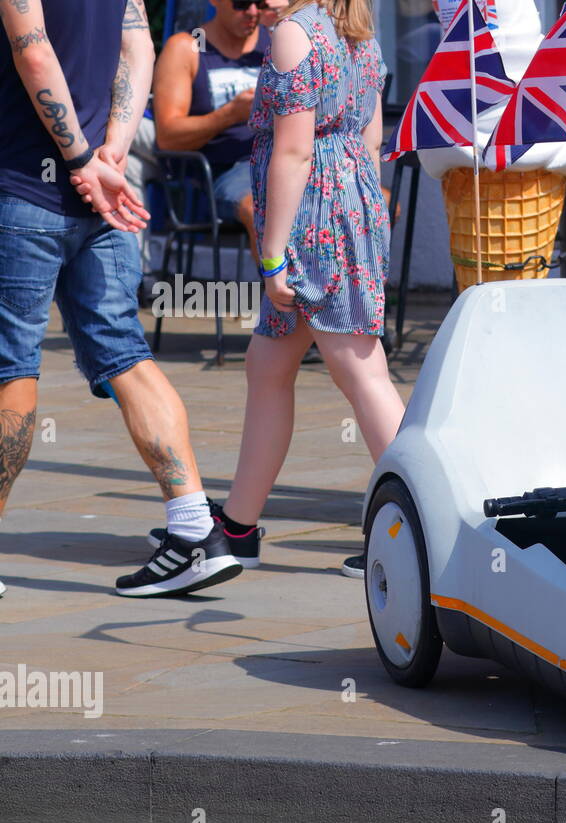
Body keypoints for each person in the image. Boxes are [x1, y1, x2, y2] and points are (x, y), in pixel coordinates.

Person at [0, 0, 242, 598]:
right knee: (125, 355)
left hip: (26, 188)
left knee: (12, 368)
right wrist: (112, 153)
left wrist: (83, 160)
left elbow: (34, 49)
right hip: (99, 193)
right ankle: (194, 532)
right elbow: (138, 44)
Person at [191, 0, 402, 579]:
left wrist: (273, 254)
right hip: (349, 201)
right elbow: (370, 137)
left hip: (311, 216)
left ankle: (424, 528)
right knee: (269, 366)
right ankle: (237, 525)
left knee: (361, 371)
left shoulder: (293, 34)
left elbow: (293, 150)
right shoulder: (356, 28)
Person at [153, 0, 274, 262]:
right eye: (241, 3)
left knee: (380, 199)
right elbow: (168, 136)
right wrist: (229, 114)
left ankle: (361, 297)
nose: (253, 12)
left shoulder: (278, 40)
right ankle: (280, 300)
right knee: (264, 210)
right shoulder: (187, 47)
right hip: (226, 170)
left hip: (284, 157)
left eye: (261, 3)